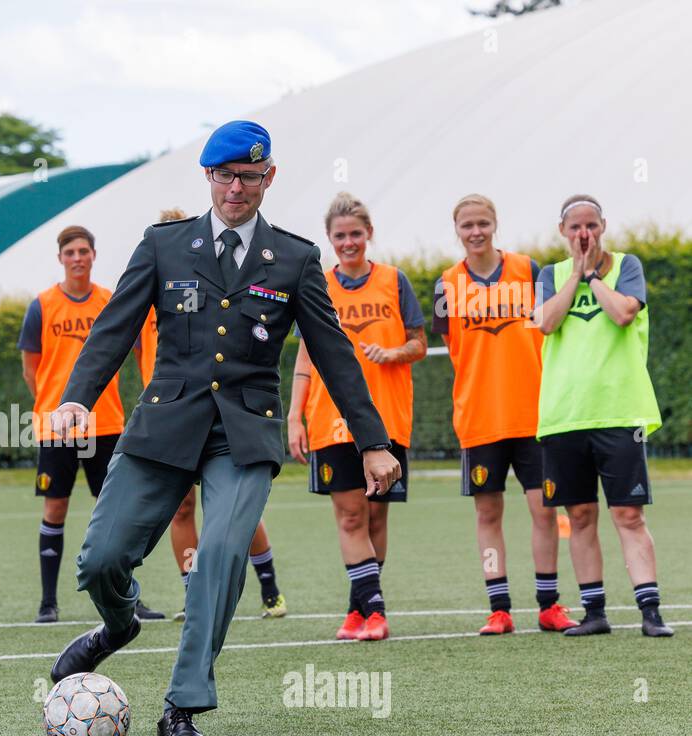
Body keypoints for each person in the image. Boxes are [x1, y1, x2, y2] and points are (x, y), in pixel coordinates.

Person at [49, 121, 399, 736]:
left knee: (220, 555)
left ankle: (182, 705)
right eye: (224, 175)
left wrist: (372, 439)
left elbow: (334, 354)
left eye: (249, 176)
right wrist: (76, 396)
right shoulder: (163, 245)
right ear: (207, 178)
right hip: (163, 424)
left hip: (242, 436)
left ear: (269, 178)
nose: (236, 187)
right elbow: (114, 328)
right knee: (101, 559)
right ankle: (115, 627)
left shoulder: (294, 258)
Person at [434, 195, 576, 636]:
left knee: (544, 511)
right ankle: (499, 607)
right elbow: (453, 344)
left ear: (495, 224)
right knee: (487, 514)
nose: (475, 231)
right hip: (479, 417)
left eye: (483, 223)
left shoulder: (528, 270)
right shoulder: (446, 285)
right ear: (456, 230)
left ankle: (549, 604)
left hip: (532, 414)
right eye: (467, 225)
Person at [287, 193, 425, 641]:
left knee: (376, 519)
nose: (349, 242)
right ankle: (377, 612)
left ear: (369, 234)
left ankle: (357, 611)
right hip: (329, 419)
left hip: (385, 420)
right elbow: (306, 358)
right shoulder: (317, 285)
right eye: (340, 236)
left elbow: (419, 343)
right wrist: (294, 416)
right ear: (329, 239)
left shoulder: (394, 281)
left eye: (356, 234)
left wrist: (393, 352)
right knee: (350, 516)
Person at [535, 194, 672, 638]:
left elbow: (623, 314)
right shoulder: (550, 275)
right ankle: (594, 612)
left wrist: (593, 275)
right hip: (566, 415)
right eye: (575, 228)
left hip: (618, 411)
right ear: (562, 232)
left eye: (591, 225)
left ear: (603, 226)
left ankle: (650, 612)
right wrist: (575, 273)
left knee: (629, 516)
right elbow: (547, 323)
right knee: (579, 516)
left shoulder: (627, 266)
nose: (583, 234)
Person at [142, 209, 287, 624]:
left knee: (236, 508)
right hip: (167, 415)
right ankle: (194, 595)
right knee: (182, 509)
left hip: (216, 411)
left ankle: (270, 587)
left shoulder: (204, 285)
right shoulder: (147, 288)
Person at [19, 226, 162, 625]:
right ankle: (48, 602)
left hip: (106, 423)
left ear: (93, 256)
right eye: (70, 252)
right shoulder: (42, 305)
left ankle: (129, 598)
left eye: (84, 251)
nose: (78, 258)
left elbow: (138, 353)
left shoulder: (109, 301)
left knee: (117, 513)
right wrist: (52, 403)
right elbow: (32, 369)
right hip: (58, 426)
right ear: (61, 258)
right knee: (55, 508)